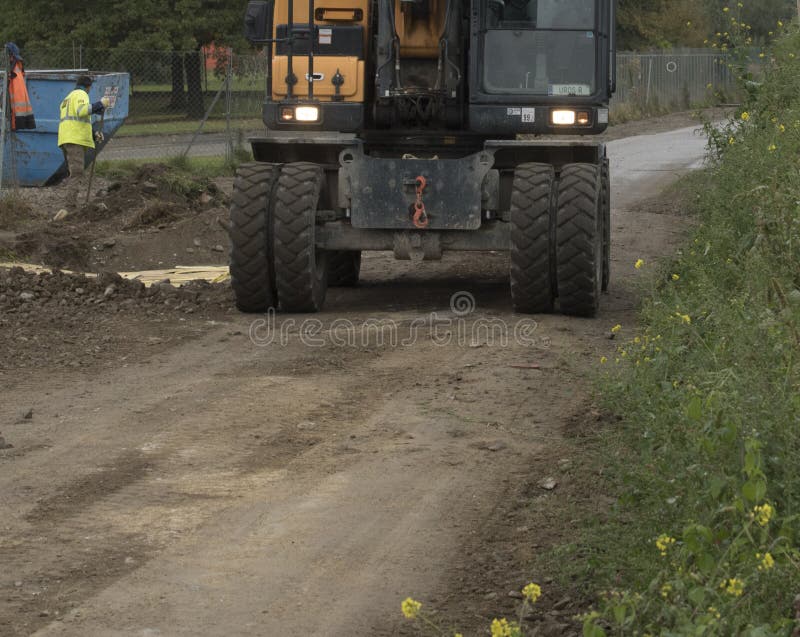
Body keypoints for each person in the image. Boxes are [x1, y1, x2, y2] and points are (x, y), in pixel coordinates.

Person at [57, 75, 110, 211]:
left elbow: (78, 119)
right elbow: (82, 111)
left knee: (74, 172)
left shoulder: (68, 98)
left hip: (66, 138)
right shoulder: (81, 94)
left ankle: (70, 204)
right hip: (75, 139)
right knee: (77, 173)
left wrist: (93, 134)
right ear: (88, 87)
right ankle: (70, 207)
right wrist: (100, 104)